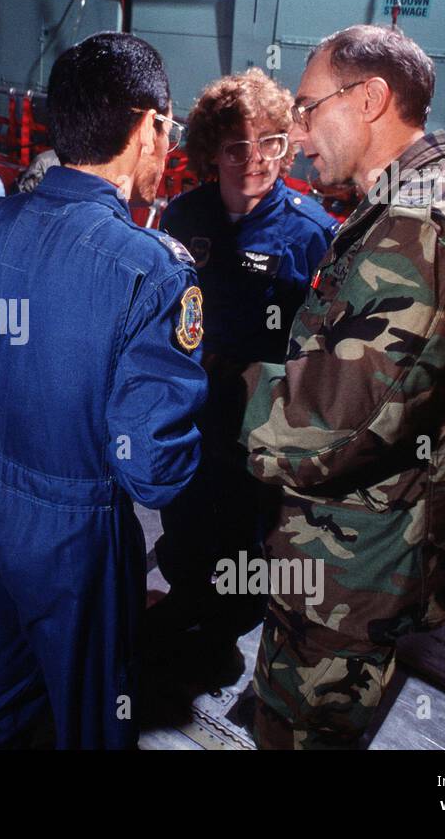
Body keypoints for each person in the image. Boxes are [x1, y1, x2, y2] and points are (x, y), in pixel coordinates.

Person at [0, 32, 209, 749]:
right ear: (146, 124)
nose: (168, 145)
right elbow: (154, 473)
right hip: (77, 538)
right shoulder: (154, 272)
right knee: (91, 719)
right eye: (168, 128)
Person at [238, 24, 445, 749]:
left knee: (301, 733)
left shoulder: (417, 229)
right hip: (379, 551)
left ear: (369, 98)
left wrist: (226, 384)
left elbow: (324, 433)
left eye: (307, 109)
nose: (297, 136)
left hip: (348, 577)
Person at [146, 69, 338, 672]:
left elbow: (331, 348)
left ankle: (225, 631)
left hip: (260, 419)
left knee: (246, 529)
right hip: (189, 405)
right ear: (211, 152)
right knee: (183, 514)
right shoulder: (183, 218)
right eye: (236, 147)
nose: (254, 161)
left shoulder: (313, 234)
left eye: (270, 143)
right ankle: (184, 601)